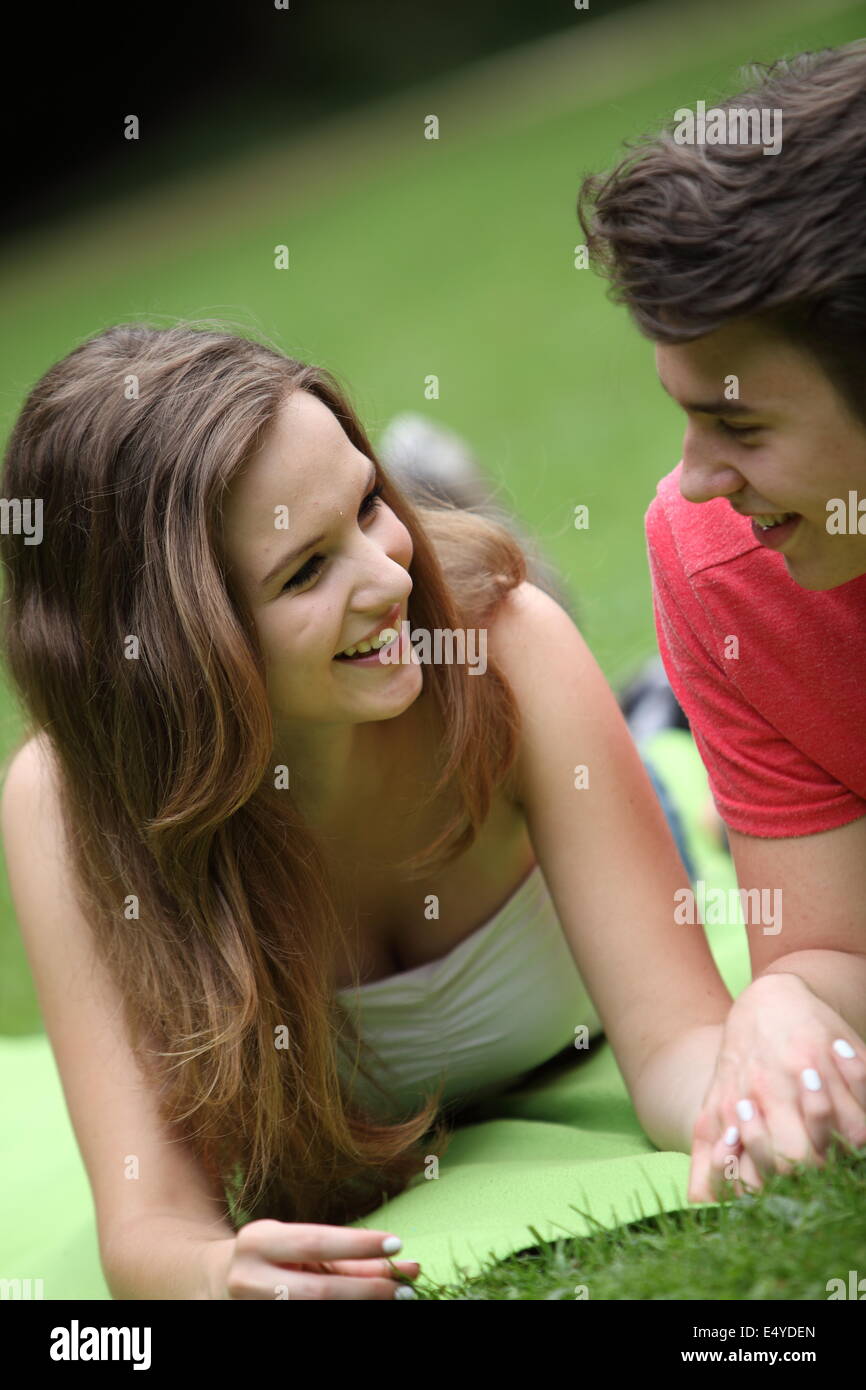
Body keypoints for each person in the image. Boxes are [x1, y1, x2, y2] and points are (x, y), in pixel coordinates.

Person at [1, 323, 862, 1303]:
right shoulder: (66, 810)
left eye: (370, 502)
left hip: (526, 738)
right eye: (304, 570)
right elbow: (150, 1221)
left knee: (653, 735)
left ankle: (565, 621)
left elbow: (675, 1048)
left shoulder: (502, 648)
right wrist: (214, 1273)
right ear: (174, 658)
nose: (387, 575)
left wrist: (755, 1100)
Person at [577, 40, 866, 1205]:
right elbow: (828, 952)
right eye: (686, 421)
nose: (693, 482)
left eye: (739, 431)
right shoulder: (710, 558)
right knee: (647, 752)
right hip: (707, 714)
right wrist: (784, 997)